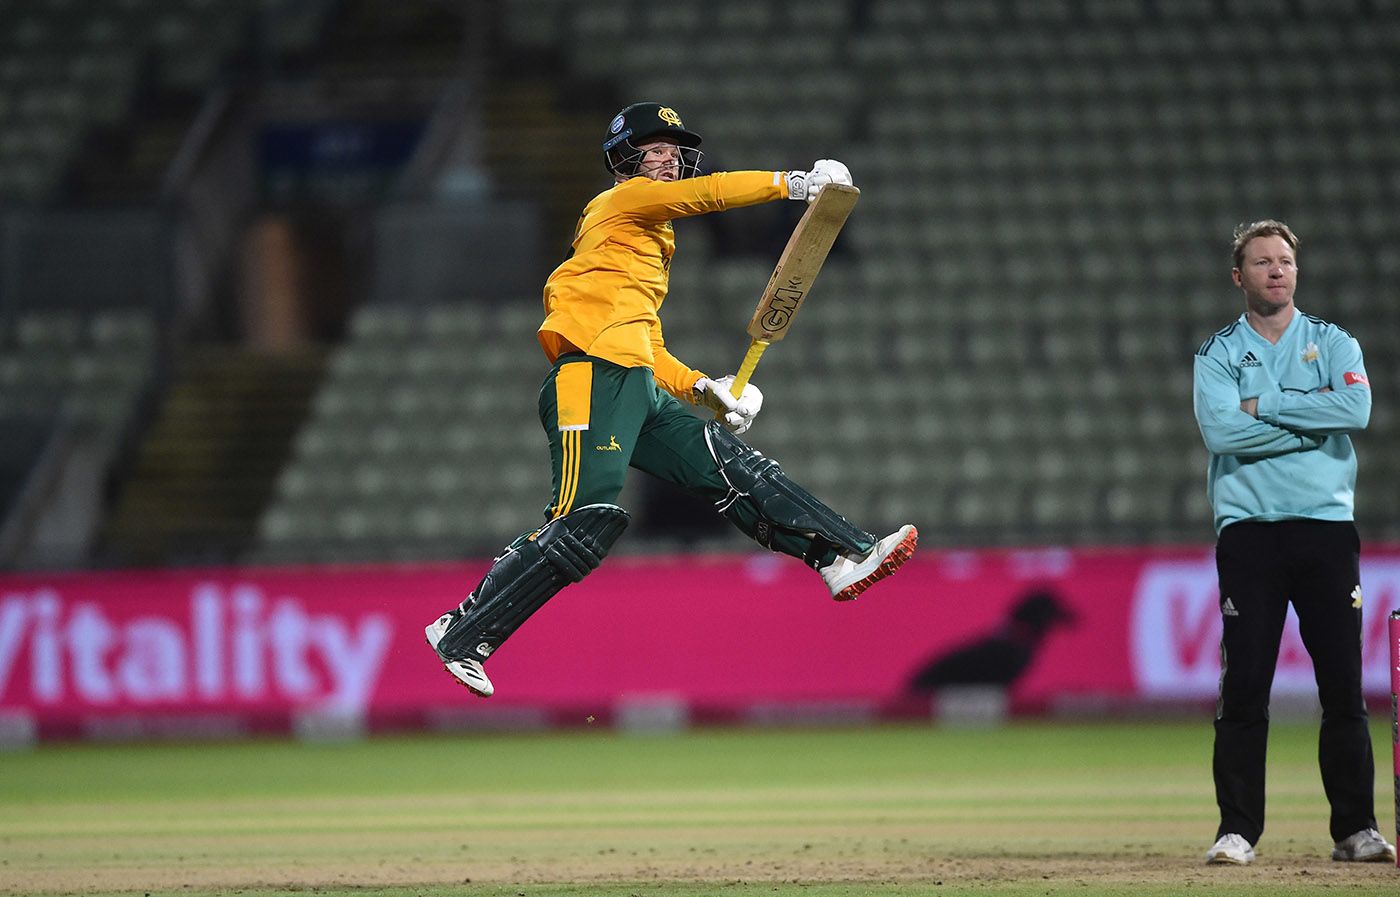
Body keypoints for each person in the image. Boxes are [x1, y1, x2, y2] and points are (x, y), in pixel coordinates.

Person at [424, 102, 918, 698]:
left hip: (635, 382)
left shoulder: (653, 243)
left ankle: (841, 557)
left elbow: (648, 342)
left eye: (674, 152)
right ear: (624, 160)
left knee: (730, 463)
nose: (667, 160)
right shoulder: (620, 202)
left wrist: (706, 388)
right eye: (653, 150)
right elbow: (707, 196)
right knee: (584, 522)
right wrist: (794, 184)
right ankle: (463, 631)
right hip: (589, 378)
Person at [1193, 220, 1393, 865]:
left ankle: (1356, 829)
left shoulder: (1334, 342)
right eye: (1261, 262)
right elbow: (1222, 434)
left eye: (1284, 261)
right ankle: (1238, 831)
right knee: (1245, 684)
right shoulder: (1218, 352)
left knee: (1343, 685)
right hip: (1249, 533)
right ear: (1239, 276)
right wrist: (1311, 419)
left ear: (1296, 272)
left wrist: (1264, 406)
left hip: (1326, 531)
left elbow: (1355, 414)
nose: (1276, 271)